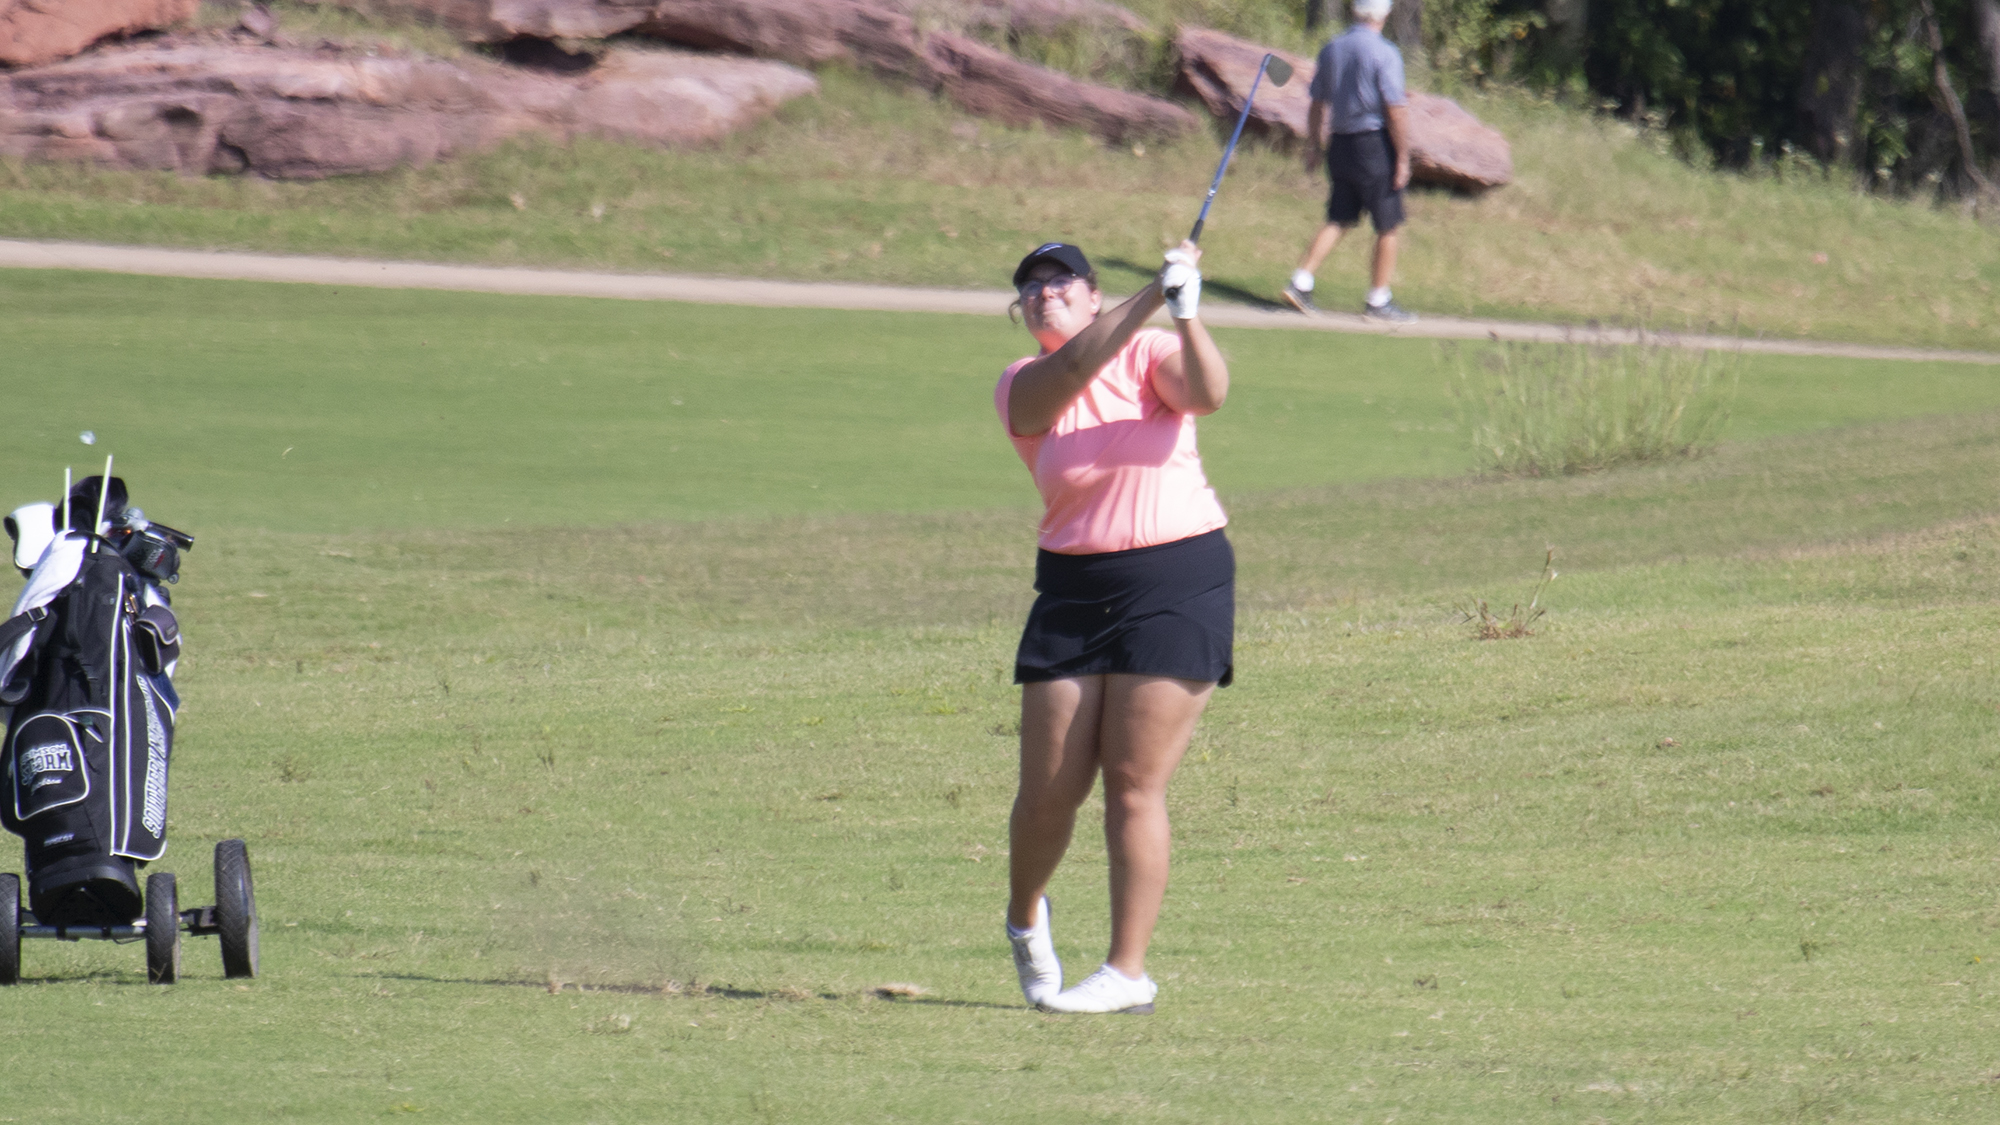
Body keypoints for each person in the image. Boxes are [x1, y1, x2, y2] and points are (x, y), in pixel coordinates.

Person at [995, 239, 1234, 1014]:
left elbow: (1207, 393)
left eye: (1061, 279)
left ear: (1091, 296)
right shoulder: (1022, 384)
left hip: (1178, 576)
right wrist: (1147, 297)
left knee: (1135, 782)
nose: (1044, 291)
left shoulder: (1153, 352)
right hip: (1073, 586)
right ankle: (1026, 913)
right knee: (1048, 793)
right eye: (1030, 287)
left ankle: (1126, 971)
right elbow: (1065, 379)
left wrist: (1188, 314)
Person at [1284, 0, 1417, 322]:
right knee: (1388, 224)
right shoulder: (1385, 53)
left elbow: (1317, 103)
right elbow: (1395, 109)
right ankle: (1378, 300)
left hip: (1340, 144)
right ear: (1383, 14)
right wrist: (1402, 156)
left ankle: (1301, 281)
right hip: (1373, 144)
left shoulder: (1333, 48)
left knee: (1340, 217)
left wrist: (1314, 144)